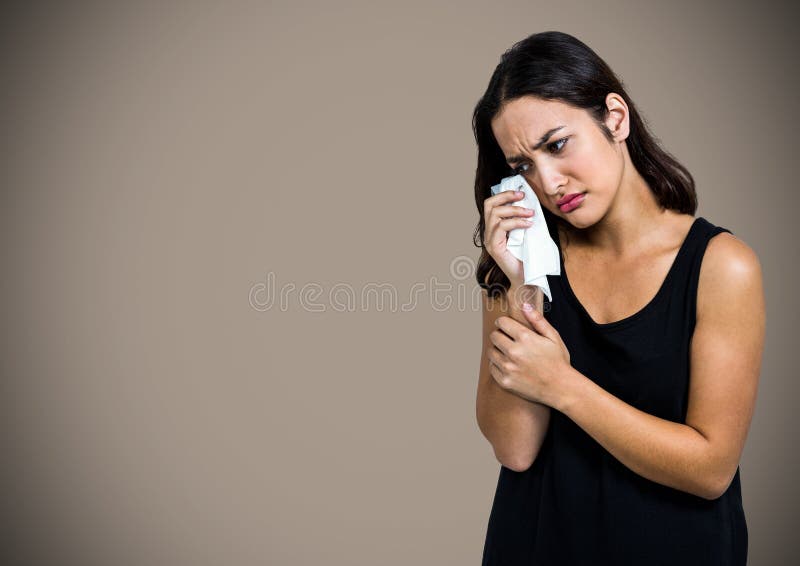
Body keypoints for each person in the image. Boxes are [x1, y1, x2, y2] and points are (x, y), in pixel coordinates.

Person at [473, 31, 765, 565]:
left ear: (615, 117)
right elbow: (515, 450)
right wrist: (523, 285)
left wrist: (562, 386)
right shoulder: (523, 267)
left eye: (557, 145)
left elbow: (710, 469)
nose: (549, 182)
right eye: (523, 166)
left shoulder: (722, 266)